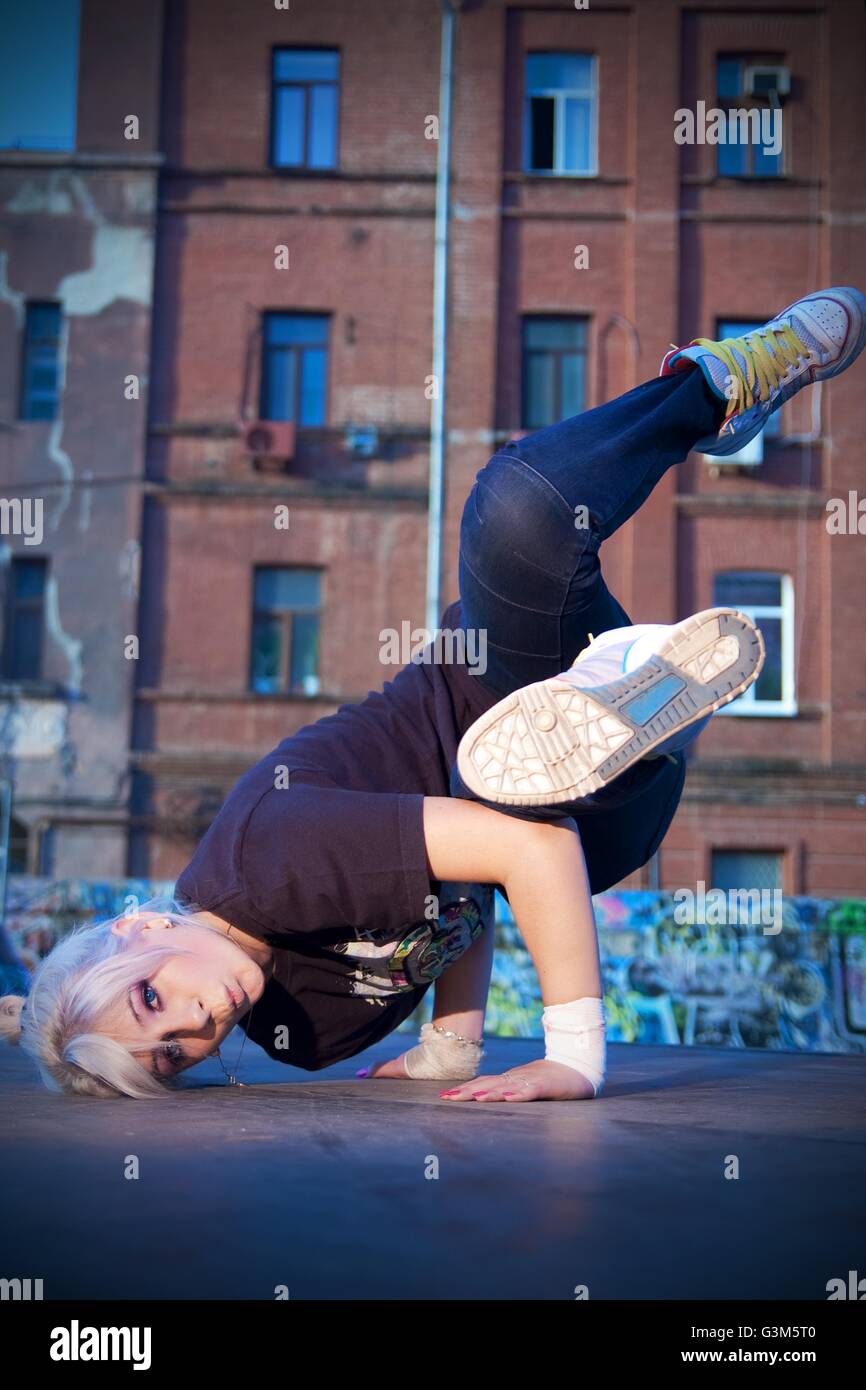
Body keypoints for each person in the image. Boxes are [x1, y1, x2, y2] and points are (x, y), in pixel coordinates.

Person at [2, 287, 863, 1103]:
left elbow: (528, 857)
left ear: (140, 929)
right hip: (595, 829)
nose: (200, 1019)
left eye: (156, 1001)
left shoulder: (268, 856)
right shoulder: (303, 1034)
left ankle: (711, 392)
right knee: (501, 796)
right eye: (171, 1056)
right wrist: (453, 1045)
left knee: (519, 511)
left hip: (497, 686)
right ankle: (630, 709)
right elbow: (463, 907)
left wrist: (574, 1060)